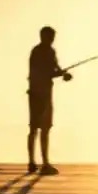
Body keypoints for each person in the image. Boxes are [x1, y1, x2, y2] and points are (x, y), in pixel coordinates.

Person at [27, 25, 71, 174]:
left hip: (45, 93)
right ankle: (35, 163)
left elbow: (55, 68)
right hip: (36, 94)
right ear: (42, 36)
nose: (51, 40)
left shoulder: (51, 51)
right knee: (35, 128)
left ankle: (42, 162)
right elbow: (43, 72)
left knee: (44, 128)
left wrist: (63, 74)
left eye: (52, 38)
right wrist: (59, 74)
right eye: (49, 37)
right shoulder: (37, 52)